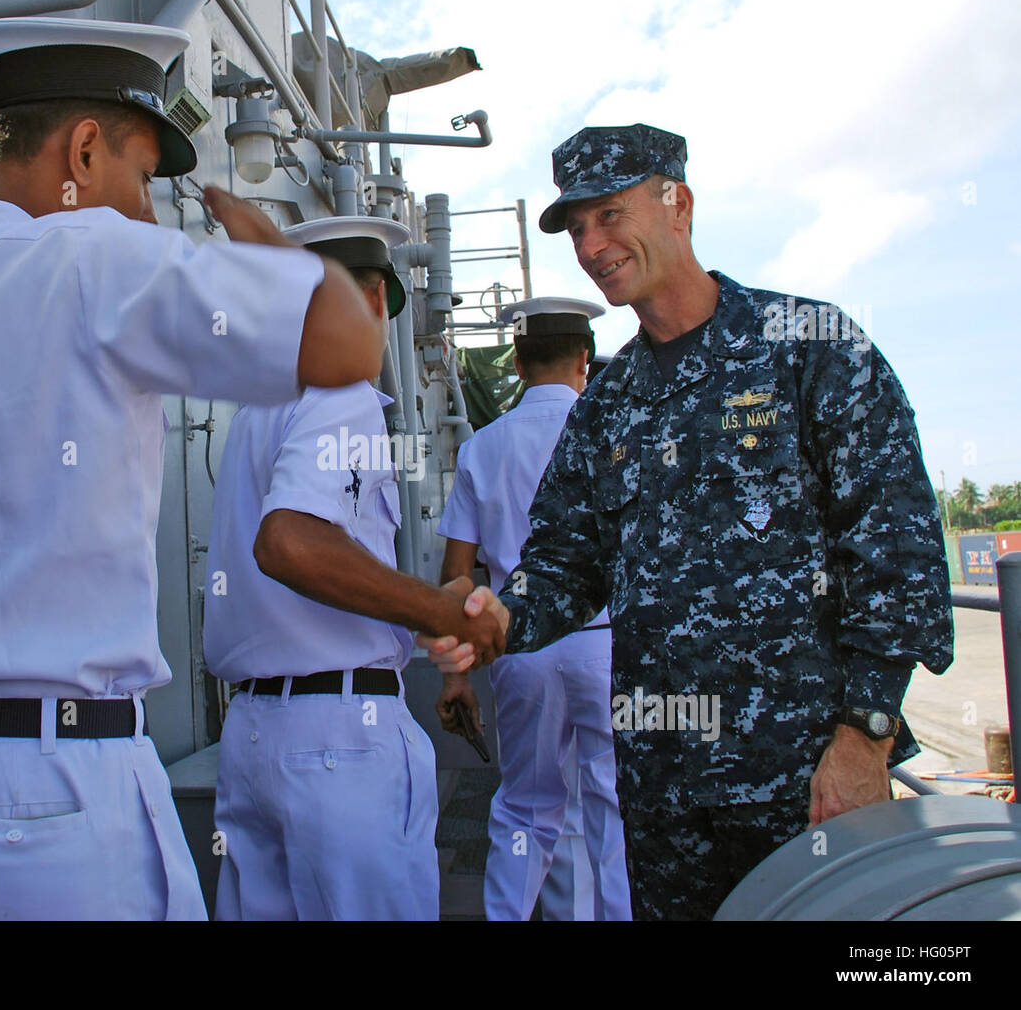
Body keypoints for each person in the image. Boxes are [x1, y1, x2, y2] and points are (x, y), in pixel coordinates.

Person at [0, 16, 387, 921]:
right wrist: (257, 233)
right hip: (49, 799)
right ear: (82, 153)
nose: (149, 210)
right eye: (144, 178)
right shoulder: (92, 257)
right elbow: (350, 343)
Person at [418, 123, 954, 921]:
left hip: (805, 782)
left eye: (609, 215)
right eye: (576, 228)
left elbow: (899, 558)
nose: (592, 245)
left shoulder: (811, 350)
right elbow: (566, 564)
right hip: (666, 801)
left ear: (679, 205)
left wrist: (864, 736)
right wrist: (502, 614)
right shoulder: (607, 406)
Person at [203, 215, 506, 920]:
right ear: (371, 304)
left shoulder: (257, 410)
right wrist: (440, 611)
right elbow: (292, 544)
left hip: (252, 736)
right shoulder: (340, 396)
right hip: (339, 738)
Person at [435, 297, 630, 922]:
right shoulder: (618, 436)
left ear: (517, 364)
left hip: (516, 642)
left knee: (527, 806)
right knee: (613, 804)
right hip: (605, 643)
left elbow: (457, 575)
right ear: (584, 362)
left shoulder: (481, 448)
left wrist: (456, 672)